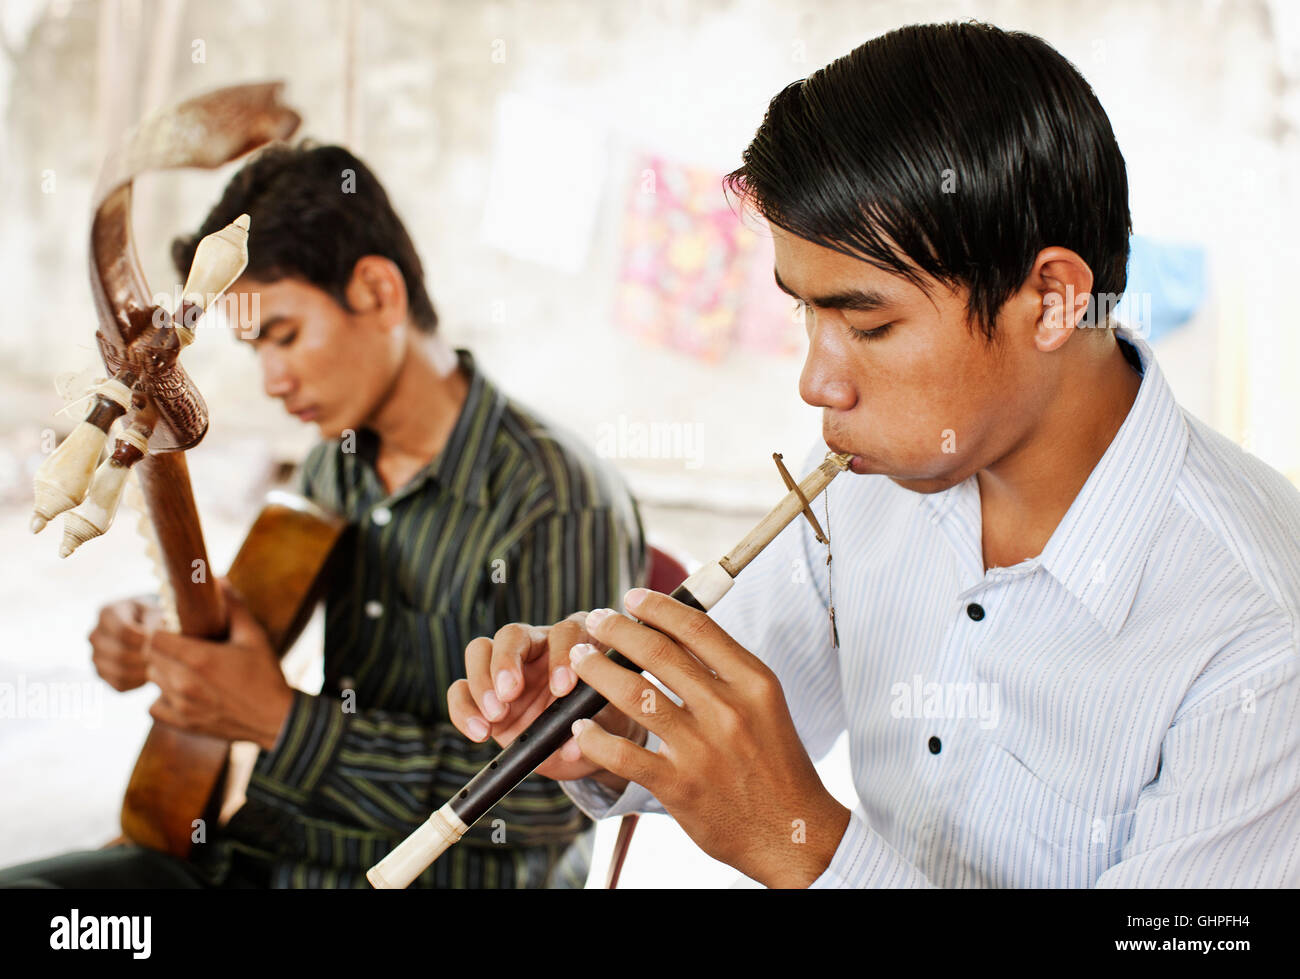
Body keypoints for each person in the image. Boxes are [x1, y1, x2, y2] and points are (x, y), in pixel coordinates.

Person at [448, 22, 1300, 887]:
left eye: (869, 325)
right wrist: (604, 719)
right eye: (804, 315)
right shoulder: (876, 486)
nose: (818, 382)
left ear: (1051, 301)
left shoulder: (1263, 639)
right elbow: (701, 733)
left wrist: (801, 842)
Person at [1, 142, 645, 888]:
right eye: (253, 350)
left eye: (283, 335)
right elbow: (254, 615)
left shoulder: (557, 498)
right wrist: (159, 626)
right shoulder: (331, 464)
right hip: (263, 858)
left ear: (376, 291)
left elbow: (553, 797)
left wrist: (282, 722)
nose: (273, 380)